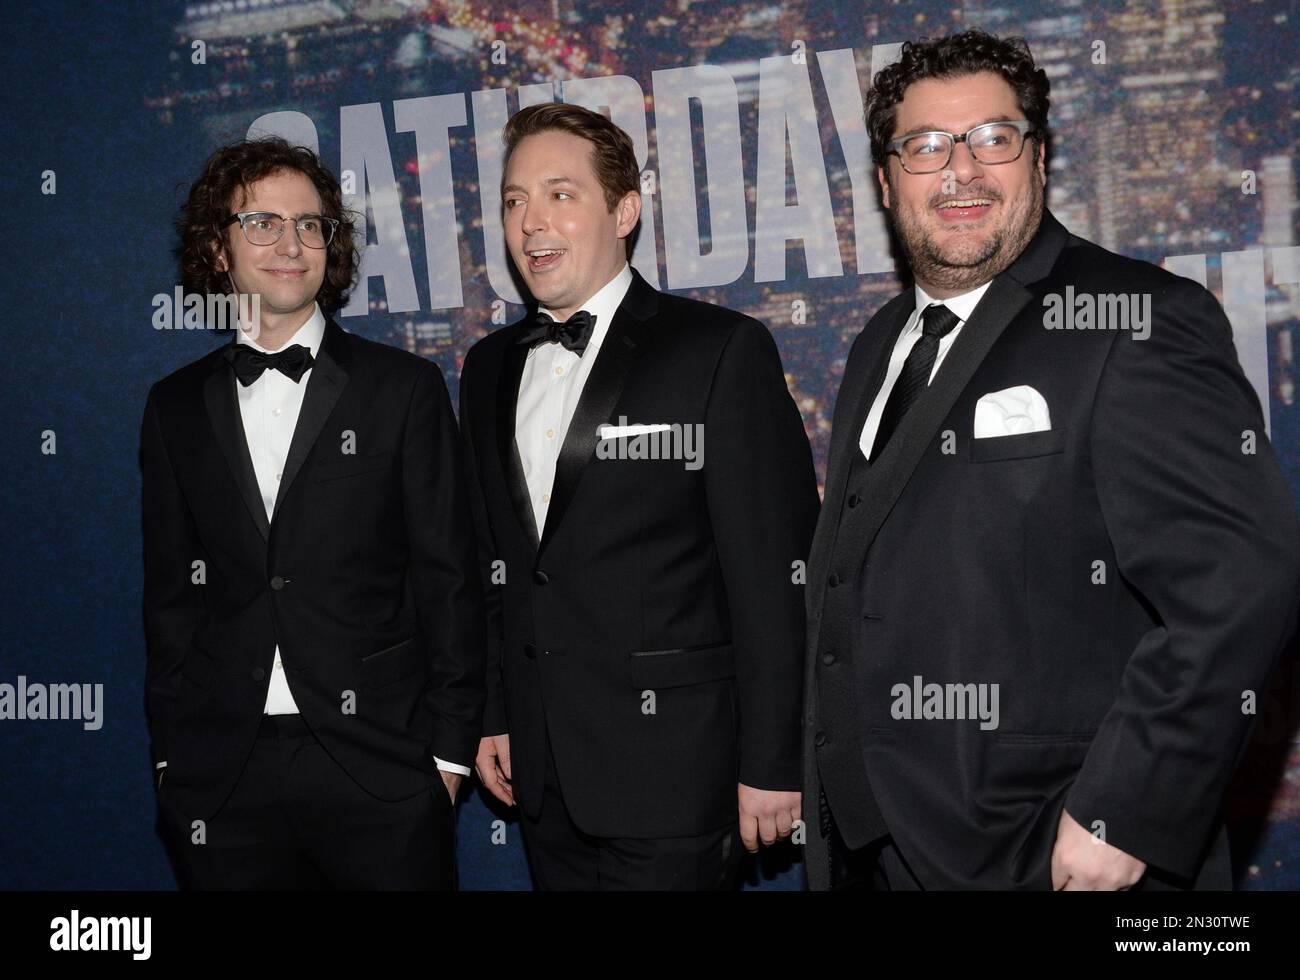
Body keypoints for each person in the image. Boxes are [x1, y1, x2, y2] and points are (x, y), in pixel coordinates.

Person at [803, 30, 1300, 890]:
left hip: (1052, 850)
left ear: (1039, 159)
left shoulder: (1135, 317)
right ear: (885, 181)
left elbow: (1237, 582)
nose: (960, 170)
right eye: (925, 147)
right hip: (873, 850)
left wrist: (1128, 808)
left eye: (993, 137)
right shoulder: (878, 344)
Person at [462, 102, 819, 889]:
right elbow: (497, 565)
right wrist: (495, 711)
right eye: (515, 200)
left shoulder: (717, 350)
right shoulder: (487, 368)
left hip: (679, 772)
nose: (531, 223)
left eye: (561, 194)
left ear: (624, 211)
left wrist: (775, 758)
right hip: (544, 775)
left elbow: (773, 576)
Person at [141, 137, 484, 889]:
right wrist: (172, 757)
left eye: (310, 225)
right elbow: (171, 598)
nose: (290, 244)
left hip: (381, 768)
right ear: (217, 248)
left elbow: (449, 580)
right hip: (222, 776)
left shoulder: (404, 389)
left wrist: (447, 760)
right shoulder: (173, 408)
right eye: (260, 222)